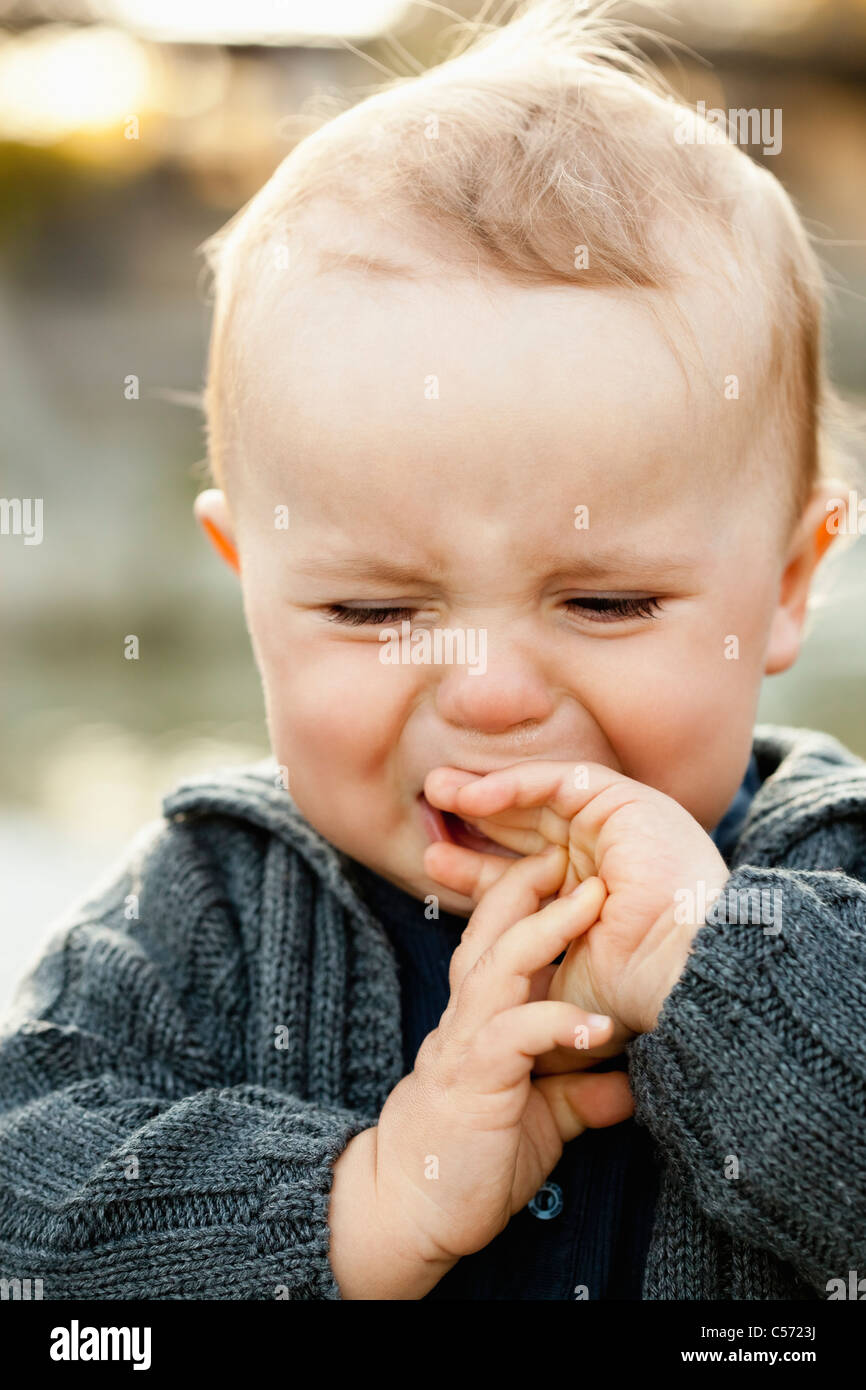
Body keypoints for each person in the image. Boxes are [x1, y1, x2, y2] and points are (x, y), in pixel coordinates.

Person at [1, 0, 864, 1300]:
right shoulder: (205, 913)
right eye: (374, 611)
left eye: (606, 601)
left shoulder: (833, 874)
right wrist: (364, 1200)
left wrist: (716, 961)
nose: (492, 692)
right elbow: (26, 1209)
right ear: (251, 592)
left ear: (789, 581)